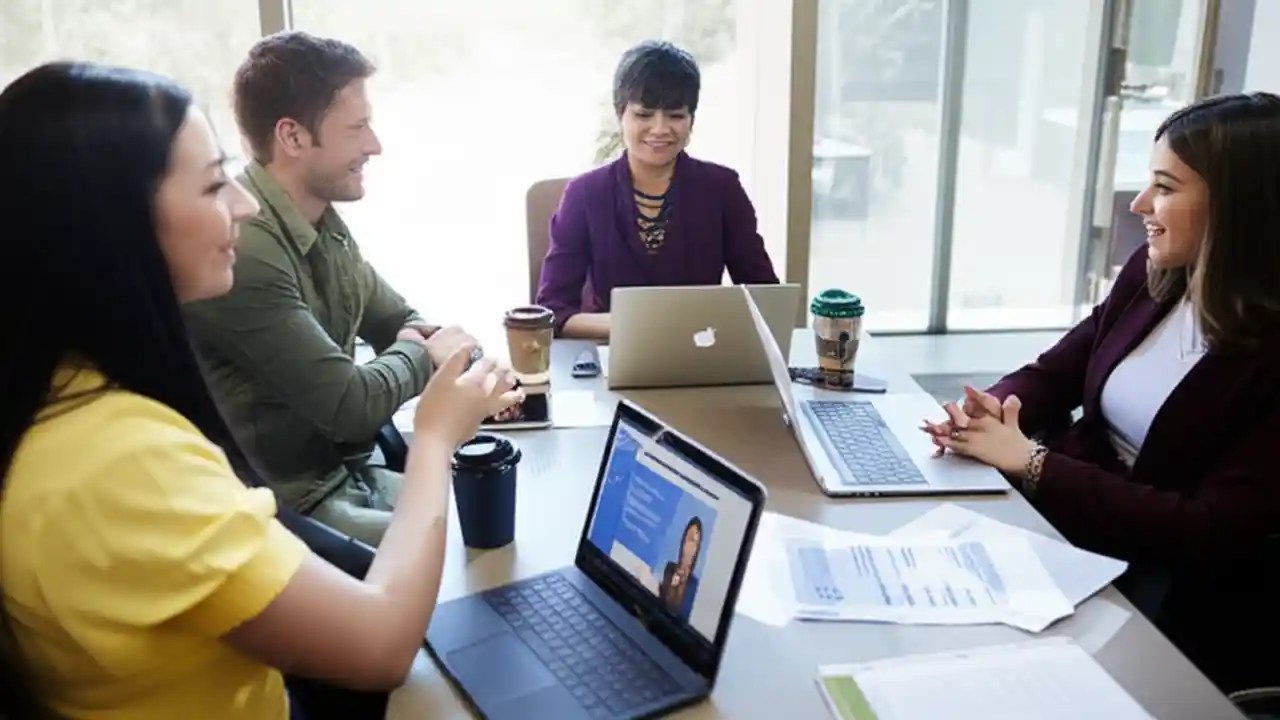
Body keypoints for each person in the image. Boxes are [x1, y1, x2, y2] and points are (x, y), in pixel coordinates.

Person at [0, 62, 520, 719]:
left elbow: (392, 315)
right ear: (113, 226)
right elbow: (382, 644)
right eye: (216, 184)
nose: (242, 205)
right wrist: (437, 438)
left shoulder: (66, 392)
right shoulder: (121, 461)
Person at [921, 92, 1280, 693]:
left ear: (1237, 208)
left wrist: (1034, 464)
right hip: (1075, 532)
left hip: (1170, 598)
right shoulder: (1154, 270)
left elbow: (1209, 529)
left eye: (1165, 187)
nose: (1141, 204)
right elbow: (1059, 370)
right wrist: (986, 413)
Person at [184, 32, 478, 546]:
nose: (375, 145)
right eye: (358, 127)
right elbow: (350, 405)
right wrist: (422, 352)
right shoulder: (245, 244)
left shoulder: (321, 219)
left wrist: (427, 345)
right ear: (294, 138)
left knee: (488, 505)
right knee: (455, 545)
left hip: (343, 476)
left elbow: (397, 317)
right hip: (285, 503)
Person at [534, 40, 778, 340]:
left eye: (676, 115)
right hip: (610, 354)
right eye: (644, 114)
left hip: (701, 353)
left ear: (691, 120)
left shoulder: (723, 189)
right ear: (620, 115)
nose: (660, 129)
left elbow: (765, 298)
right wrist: (630, 326)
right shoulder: (585, 194)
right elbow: (551, 311)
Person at [658, 516, 703, 619]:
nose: (692, 547)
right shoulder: (670, 569)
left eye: (696, 543)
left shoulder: (694, 585)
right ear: (684, 541)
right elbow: (664, 603)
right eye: (690, 539)